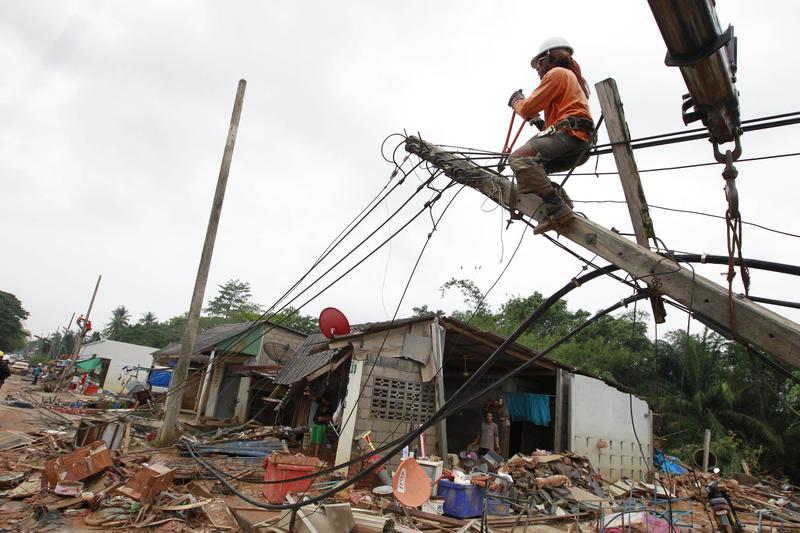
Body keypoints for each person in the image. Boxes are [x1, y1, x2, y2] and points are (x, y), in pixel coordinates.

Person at [507, 36, 594, 235]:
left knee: (518, 160)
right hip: (577, 139)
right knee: (534, 174)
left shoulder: (557, 73)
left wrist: (516, 102)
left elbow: (528, 106)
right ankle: (563, 209)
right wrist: (538, 122)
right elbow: (555, 126)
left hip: (571, 135)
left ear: (549, 58)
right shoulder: (570, 79)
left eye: (539, 64)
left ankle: (557, 206)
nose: (537, 69)